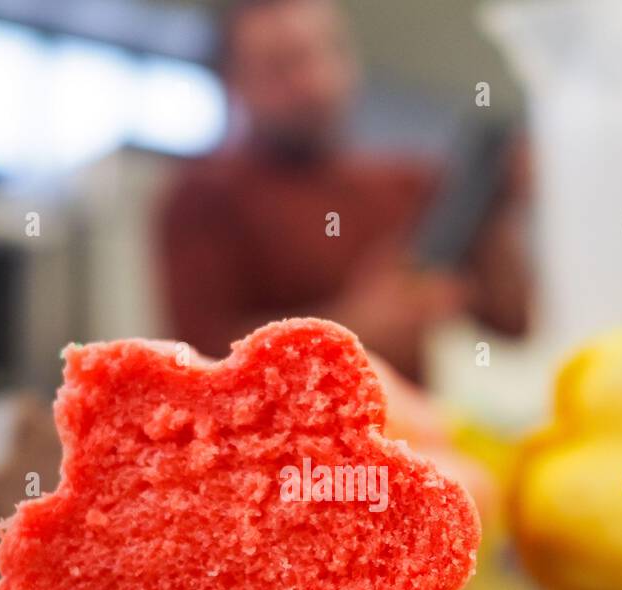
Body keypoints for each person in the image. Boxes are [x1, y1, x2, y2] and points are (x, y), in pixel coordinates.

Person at [157, 0, 531, 382]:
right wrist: (356, 327)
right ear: (234, 83)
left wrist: (496, 208)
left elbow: (513, 322)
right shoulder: (203, 198)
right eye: (281, 66)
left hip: (405, 434)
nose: (313, 80)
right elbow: (198, 361)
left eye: (326, 51)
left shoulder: (410, 186)